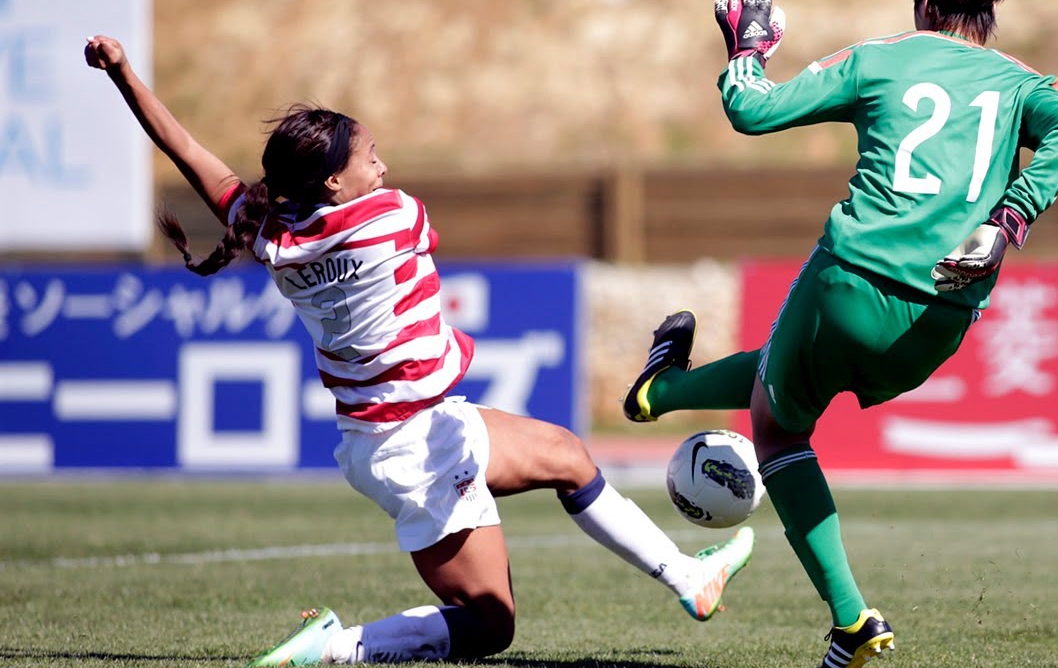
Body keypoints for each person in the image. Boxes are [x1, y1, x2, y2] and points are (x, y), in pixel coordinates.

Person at [84, 35, 755, 667]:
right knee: (490, 626)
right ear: (334, 185)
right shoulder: (392, 216)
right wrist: (121, 70)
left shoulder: (271, 236)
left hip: (407, 429)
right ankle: (338, 647)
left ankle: (687, 576)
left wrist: (123, 76)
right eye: (368, 155)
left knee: (566, 455)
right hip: (414, 448)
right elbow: (223, 173)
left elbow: (194, 158)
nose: (383, 163)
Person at [621, 0, 1058, 667]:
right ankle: (657, 392)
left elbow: (751, 109)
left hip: (853, 276)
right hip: (944, 313)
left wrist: (747, 48)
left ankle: (851, 622)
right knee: (787, 380)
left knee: (778, 428)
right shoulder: (1023, 86)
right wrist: (1008, 220)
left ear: (923, 4)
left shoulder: (883, 59)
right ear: (989, 17)